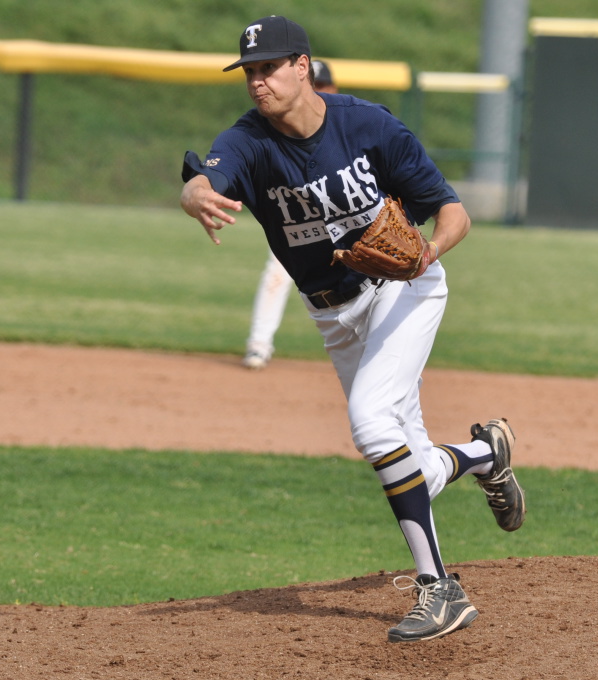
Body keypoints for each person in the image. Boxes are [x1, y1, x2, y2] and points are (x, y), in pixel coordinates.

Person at [179, 15, 525, 643]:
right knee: (410, 457)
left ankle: (439, 589)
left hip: (404, 288)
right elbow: (209, 175)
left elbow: (453, 212)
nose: (257, 82)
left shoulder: (369, 126)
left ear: (301, 66)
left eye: (269, 68)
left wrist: (428, 253)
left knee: (369, 421)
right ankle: (482, 453)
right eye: (249, 72)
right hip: (331, 311)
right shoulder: (249, 140)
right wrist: (194, 194)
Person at [243, 58, 338, 370]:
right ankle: (259, 343)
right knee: (276, 273)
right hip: (298, 217)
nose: (317, 89)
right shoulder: (279, 128)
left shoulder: (344, 125)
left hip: (344, 218)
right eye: (314, 83)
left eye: (322, 85)